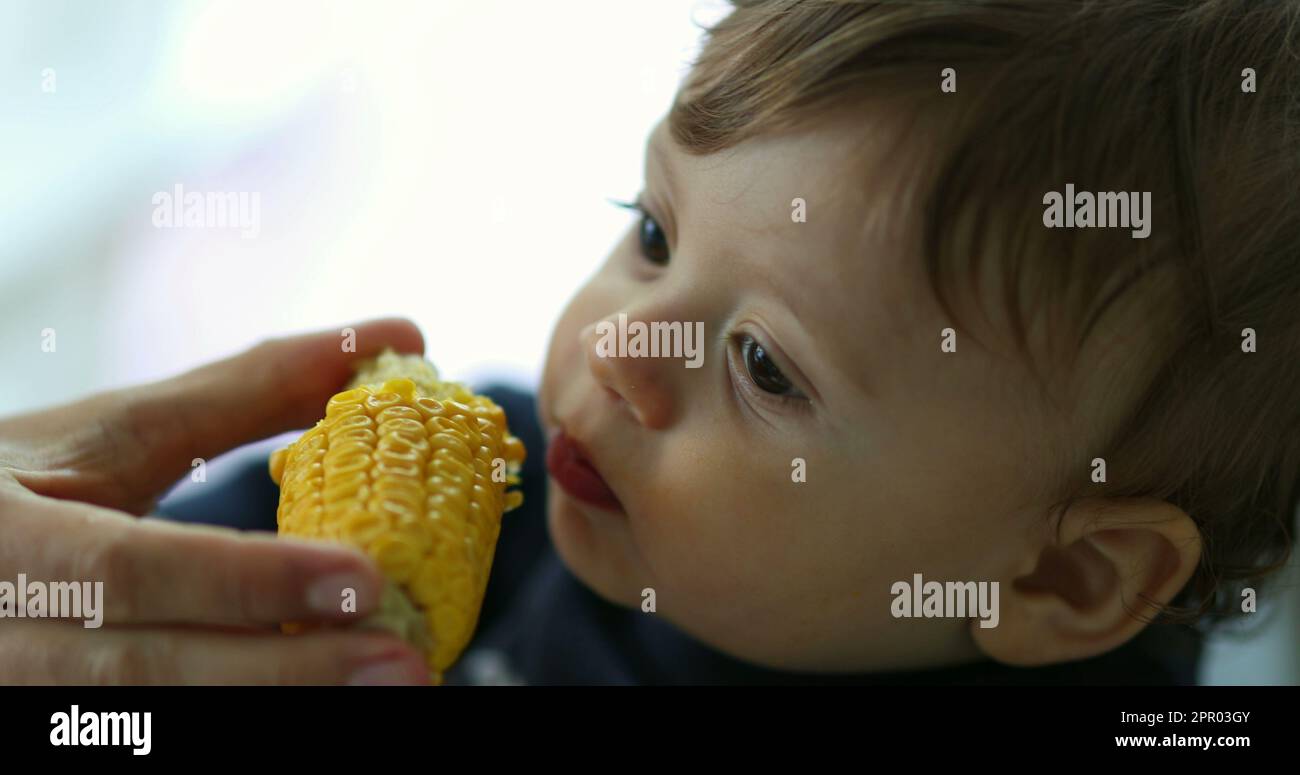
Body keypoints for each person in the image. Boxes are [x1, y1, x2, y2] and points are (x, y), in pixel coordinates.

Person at [4, 0, 1297, 684]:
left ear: (1061, 582)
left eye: (766, 367)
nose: (620, 344)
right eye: (655, 232)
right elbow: (107, 625)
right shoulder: (526, 487)